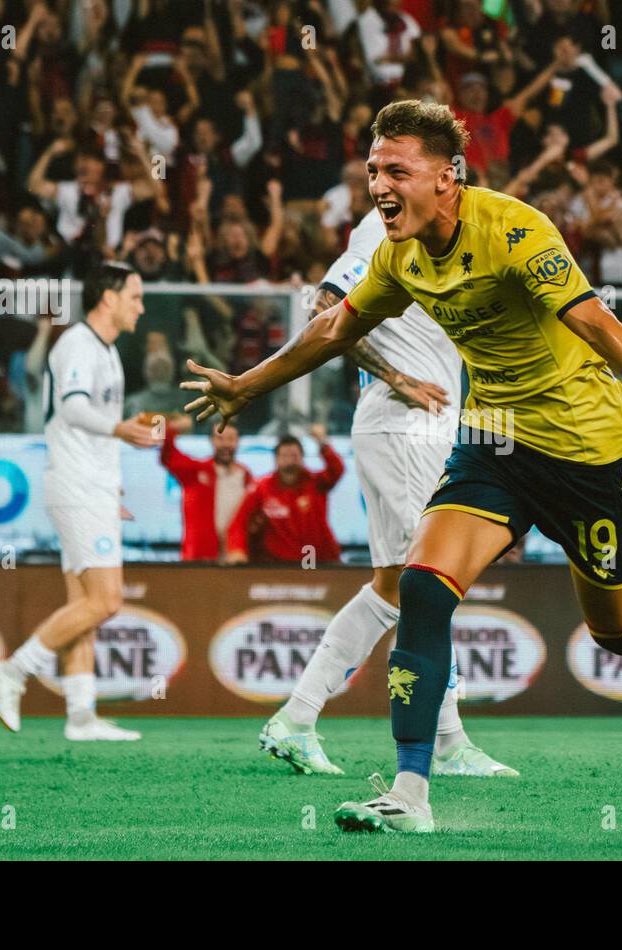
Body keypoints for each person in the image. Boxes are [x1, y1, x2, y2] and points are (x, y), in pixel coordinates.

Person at [184, 100, 622, 834]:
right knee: (423, 587)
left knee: (617, 631)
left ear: (447, 178)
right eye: (371, 170)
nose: (377, 184)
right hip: (493, 437)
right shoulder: (396, 256)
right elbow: (334, 328)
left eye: (396, 170)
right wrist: (244, 386)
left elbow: (595, 319)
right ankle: (409, 793)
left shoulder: (515, 229)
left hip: (589, 444)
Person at [258, 208, 516, 779]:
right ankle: (446, 744)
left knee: (393, 589)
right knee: (431, 586)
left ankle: (297, 719)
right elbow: (321, 307)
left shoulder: (436, 241)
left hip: (409, 429)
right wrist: (395, 376)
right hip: (402, 427)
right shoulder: (380, 233)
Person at [0, 262, 160, 742]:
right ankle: (13, 672)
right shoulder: (78, 345)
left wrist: (113, 483)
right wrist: (121, 429)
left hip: (91, 484)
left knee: (82, 602)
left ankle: (81, 715)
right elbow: (72, 406)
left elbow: (87, 422)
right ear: (108, 297)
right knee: (106, 601)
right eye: (135, 296)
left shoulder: (105, 351)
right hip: (77, 486)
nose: (140, 307)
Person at [238, 427, 344, 564]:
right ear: (276, 459)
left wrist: (323, 443)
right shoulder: (262, 489)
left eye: (294, 455)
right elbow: (241, 521)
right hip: (277, 564)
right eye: (285, 455)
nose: (290, 460)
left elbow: (337, 470)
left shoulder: (316, 482)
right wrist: (238, 551)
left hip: (317, 560)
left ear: (302, 458)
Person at [159, 422, 253, 563]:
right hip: (199, 558)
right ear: (211, 441)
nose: (226, 444)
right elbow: (167, 457)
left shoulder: (245, 476)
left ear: (238, 441)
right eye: (220, 438)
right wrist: (167, 426)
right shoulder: (196, 471)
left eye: (231, 439)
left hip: (235, 557)